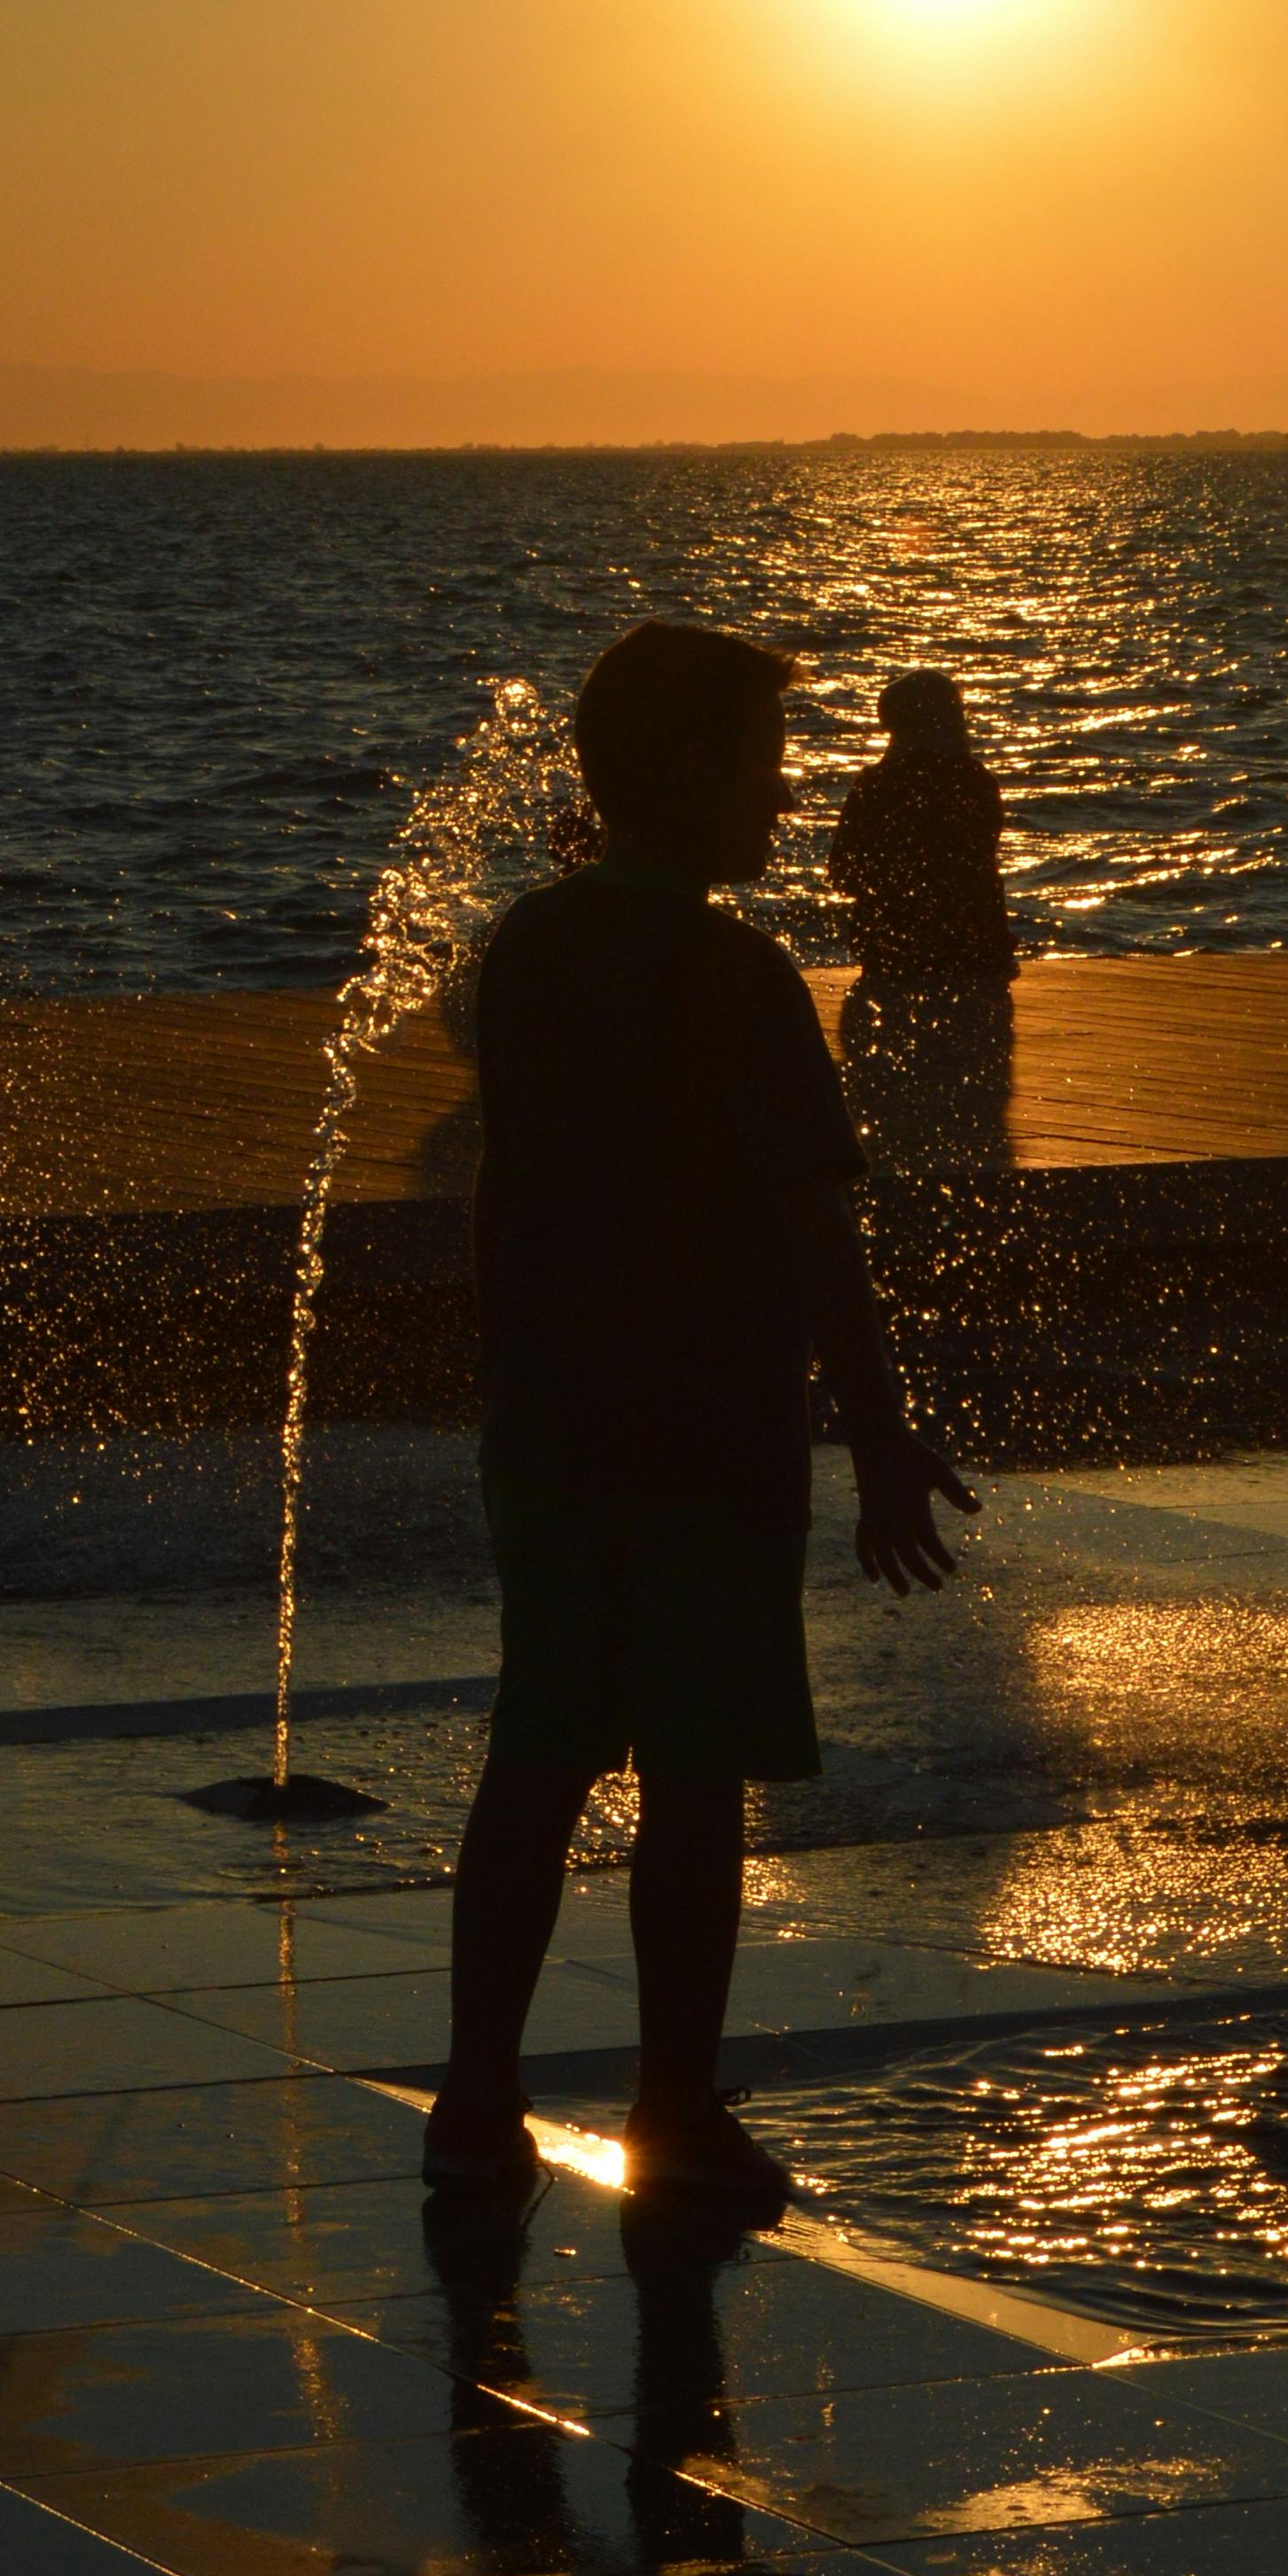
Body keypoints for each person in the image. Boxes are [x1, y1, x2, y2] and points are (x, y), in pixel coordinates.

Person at [427, 618, 974, 2222]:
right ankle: (673, 2105)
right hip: (709, 1439)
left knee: (534, 1756)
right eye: (762, 767)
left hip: (551, 1430)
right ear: (682, 777)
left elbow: (505, 1189)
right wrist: (876, 1433)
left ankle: (477, 2095)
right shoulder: (741, 981)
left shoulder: (529, 948)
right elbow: (818, 1238)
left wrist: (507, 1368)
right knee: (692, 1780)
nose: (783, 799)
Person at [828, 667, 1016, 1174]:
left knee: (883, 1101)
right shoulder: (973, 781)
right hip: (974, 960)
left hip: (893, 960)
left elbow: (843, 871)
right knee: (979, 1105)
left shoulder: (876, 784)